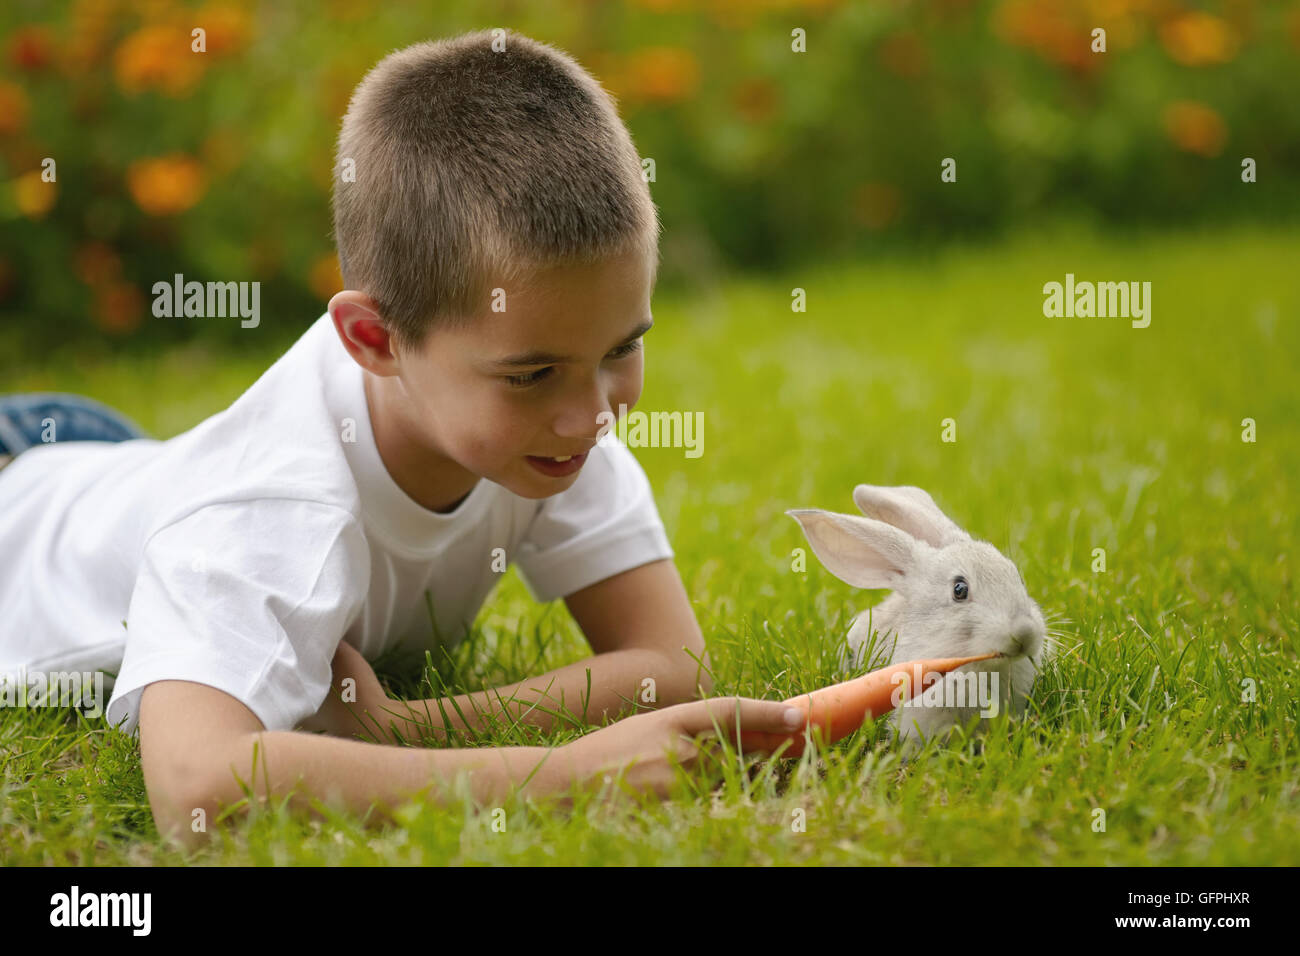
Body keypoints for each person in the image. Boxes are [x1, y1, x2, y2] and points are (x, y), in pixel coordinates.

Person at [0, 30, 803, 849]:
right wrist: (567, 776)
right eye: (531, 375)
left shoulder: (551, 413)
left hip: (113, 468)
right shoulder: (274, 505)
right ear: (375, 340)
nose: (592, 413)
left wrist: (408, 725)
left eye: (622, 348)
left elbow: (673, 666)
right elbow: (197, 790)